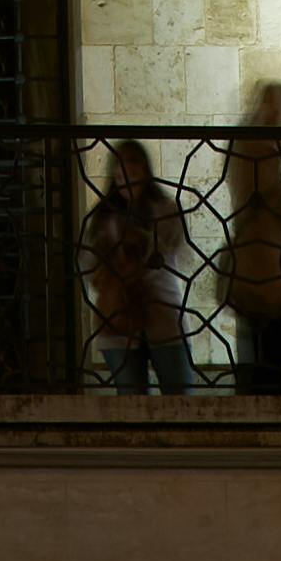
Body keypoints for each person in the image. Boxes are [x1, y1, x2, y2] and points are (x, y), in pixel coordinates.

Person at [83, 130, 193, 394]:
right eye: (120, 177)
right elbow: (87, 264)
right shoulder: (102, 218)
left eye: (131, 175)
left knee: (180, 401)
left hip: (162, 312)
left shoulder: (165, 210)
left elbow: (174, 251)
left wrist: (140, 242)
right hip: (119, 321)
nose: (126, 183)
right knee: (131, 404)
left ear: (144, 171)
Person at [221, 75, 281, 396]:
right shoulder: (255, 145)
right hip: (261, 259)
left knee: (265, 350)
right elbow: (257, 194)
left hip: (269, 259)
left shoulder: (263, 144)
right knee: (266, 354)